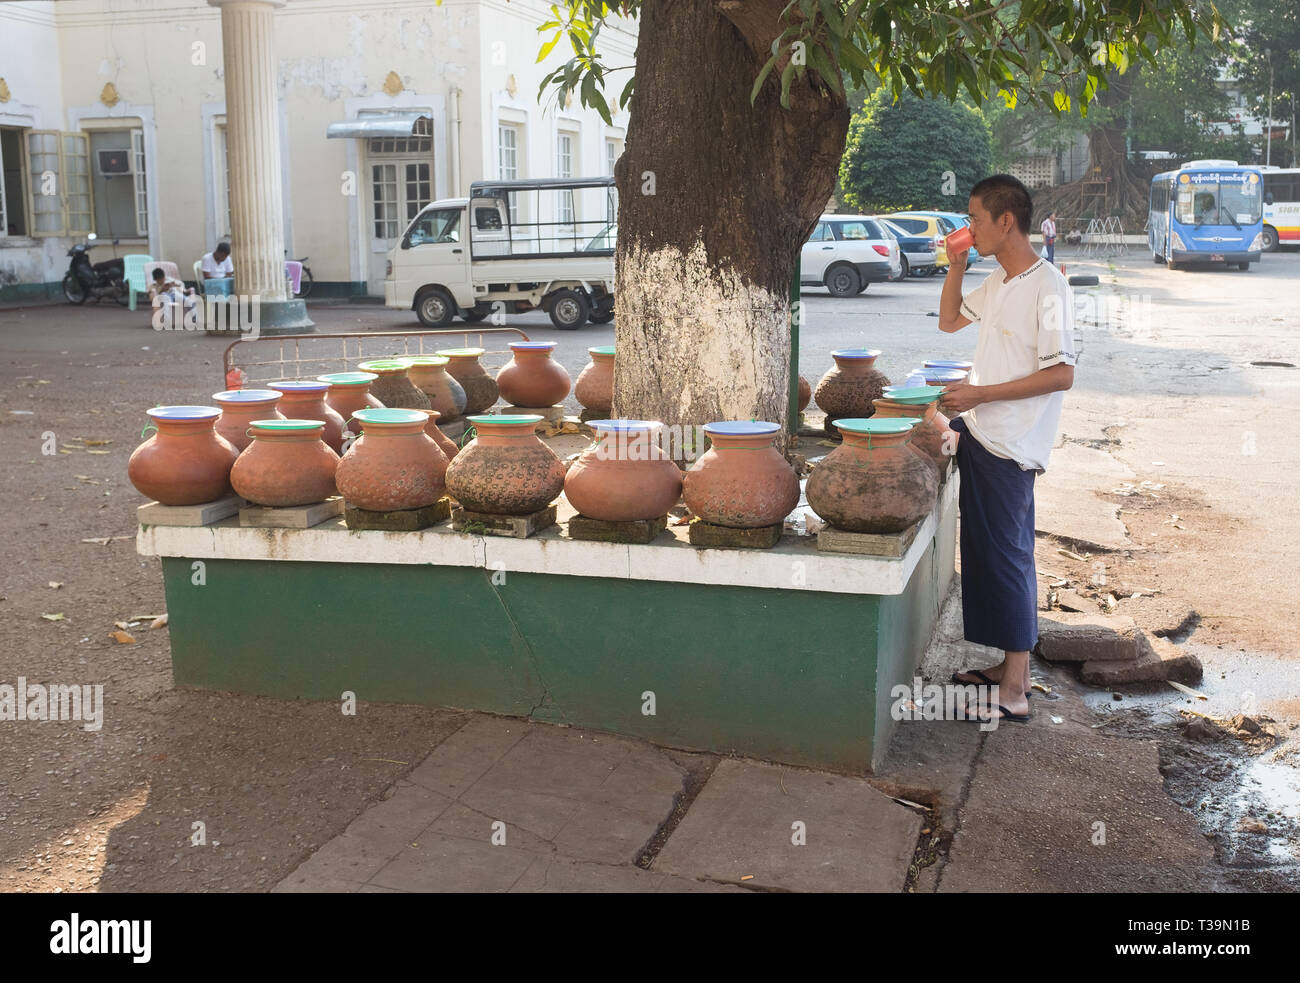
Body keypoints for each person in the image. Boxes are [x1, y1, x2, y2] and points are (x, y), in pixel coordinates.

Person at [936, 174, 1076, 725]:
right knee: (987, 554)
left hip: (1012, 441)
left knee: (1010, 556)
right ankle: (1003, 667)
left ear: (1005, 221)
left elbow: (1062, 374)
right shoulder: (998, 283)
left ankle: (1015, 689)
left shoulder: (1049, 287)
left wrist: (980, 393)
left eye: (974, 219)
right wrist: (955, 265)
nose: (968, 229)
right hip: (981, 427)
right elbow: (949, 322)